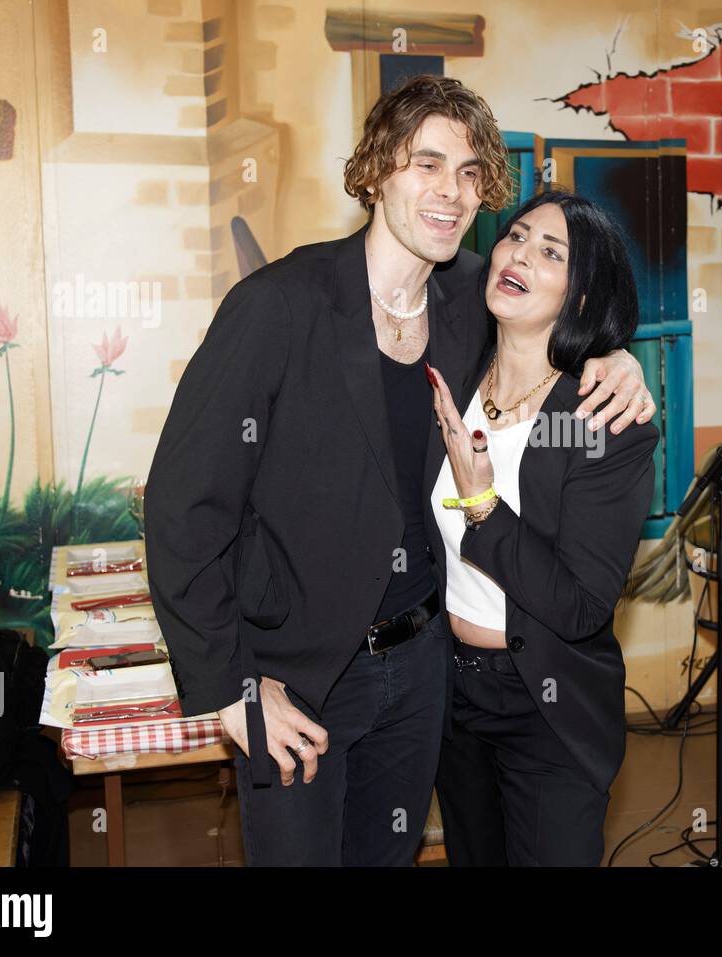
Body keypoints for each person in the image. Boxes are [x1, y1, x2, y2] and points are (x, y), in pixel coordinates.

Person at [143, 75, 655, 866]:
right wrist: (231, 688)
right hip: (300, 677)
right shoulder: (279, 305)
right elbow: (183, 509)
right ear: (379, 168)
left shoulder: (466, 302)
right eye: (427, 164)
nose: (452, 192)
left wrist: (618, 359)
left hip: (423, 678)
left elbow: (562, 307)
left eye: (471, 174)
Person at [425, 189, 660, 865]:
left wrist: (483, 506)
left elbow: (579, 604)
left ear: (582, 298)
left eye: (550, 252)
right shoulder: (450, 370)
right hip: (451, 692)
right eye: (516, 236)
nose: (519, 253)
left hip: (546, 702)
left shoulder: (604, 422)